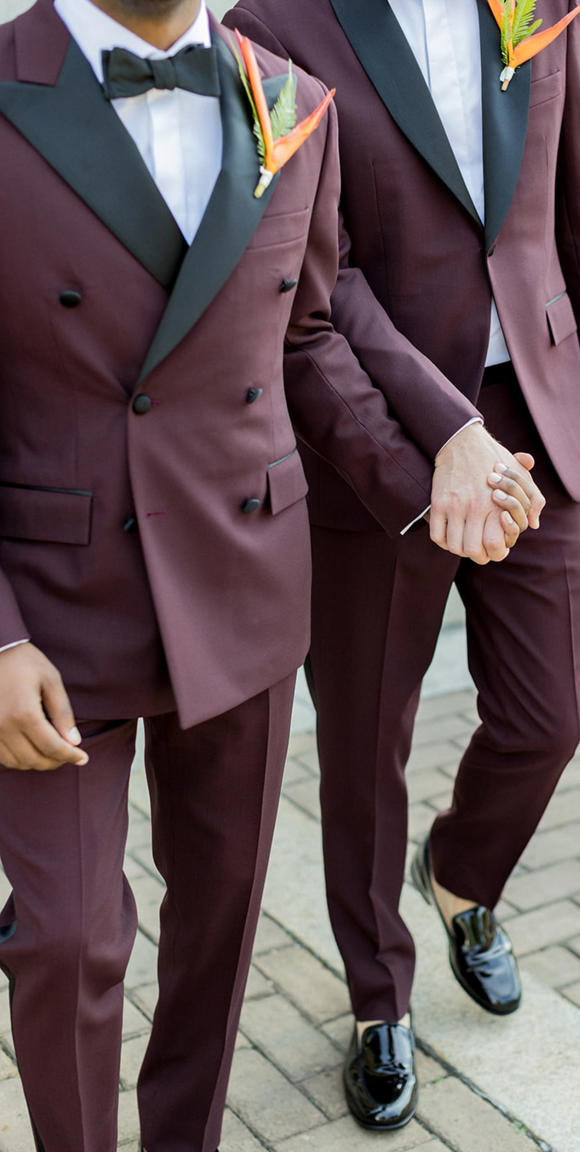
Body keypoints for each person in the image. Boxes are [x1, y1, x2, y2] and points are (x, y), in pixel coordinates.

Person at [0, 0, 542, 1148]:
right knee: (67, 937)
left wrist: (433, 472)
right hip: (46, 610)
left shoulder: (291, 100)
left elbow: (307, 332)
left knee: (219, 928)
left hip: (243, 575)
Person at [226, 0, 580, 1131]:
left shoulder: (541, 3)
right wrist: (439, 424)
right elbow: (319, 271)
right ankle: (377, 999)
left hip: (543, 409)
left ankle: (460, 875)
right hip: (378, 424)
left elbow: (579, 210)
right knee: (366, 739)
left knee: (560, 705)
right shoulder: (267, 24)